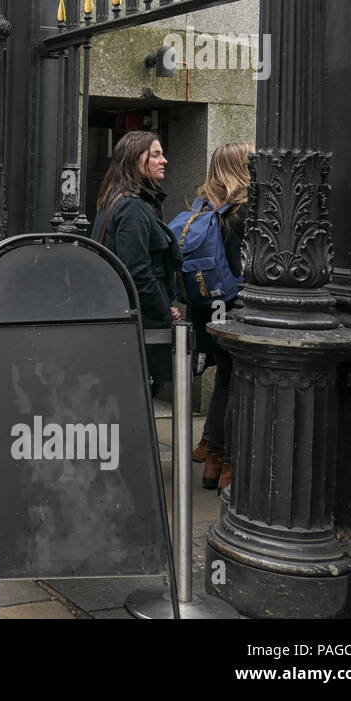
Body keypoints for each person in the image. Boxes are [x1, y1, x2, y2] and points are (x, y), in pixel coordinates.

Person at [90, 130, 183, 396]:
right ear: (134, 160)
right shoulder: (131, 207)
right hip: (137, 322)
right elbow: (138, 273)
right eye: (155, 154)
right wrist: (164, 310)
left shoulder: (119, 201)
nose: (163, 160)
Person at [188, 142, 252, 492]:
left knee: (224, 380)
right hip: (234, 304)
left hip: (207, 308)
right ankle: (227, 463)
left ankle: (211, 458)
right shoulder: (241, 210)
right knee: (236, 381)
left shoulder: (203, 204)